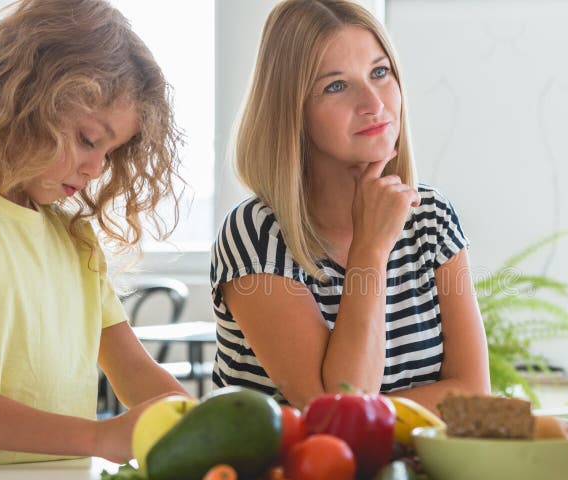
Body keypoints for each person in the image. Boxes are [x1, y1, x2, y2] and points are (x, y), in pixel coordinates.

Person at [210, 0, 490, 410]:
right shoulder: (256, 234)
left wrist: (371, 414)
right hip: (287, 476)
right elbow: (337, 411)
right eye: (336, 86)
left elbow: (473, 395)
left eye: (380, 72)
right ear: (293, 112)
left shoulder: (431, 217)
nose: (373, 103)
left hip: (408, 474)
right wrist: (371, 251)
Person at [0, 0, 190, 465]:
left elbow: (133, 369)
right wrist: (99, 438)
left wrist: (204, 429)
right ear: (23, 98)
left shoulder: (74, 239)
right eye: (88, 139)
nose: (97, 168)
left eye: (110, 153)